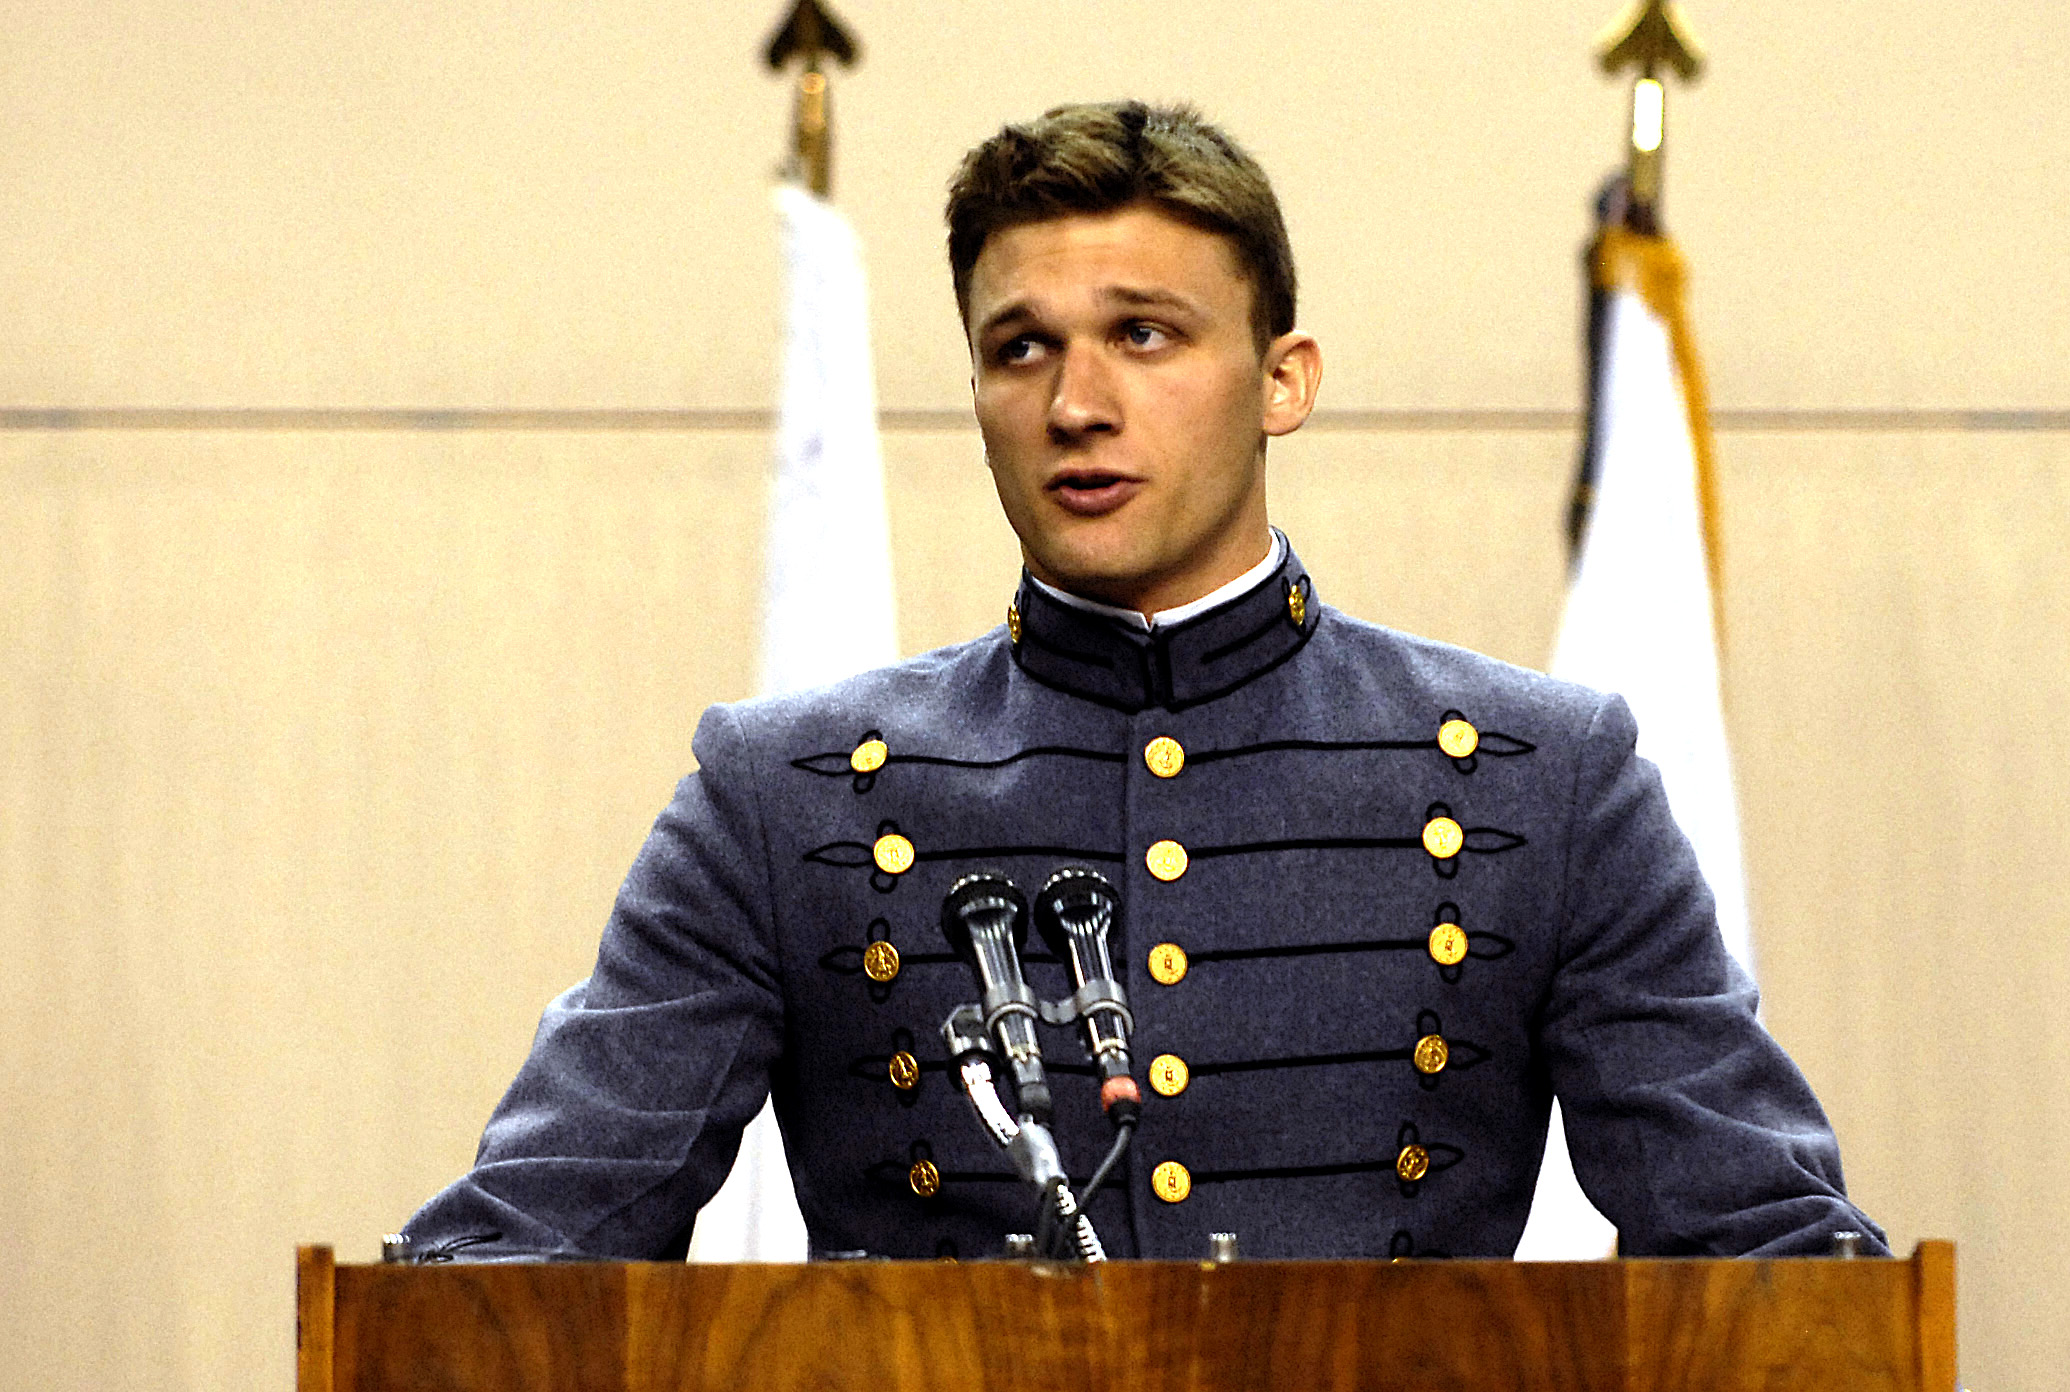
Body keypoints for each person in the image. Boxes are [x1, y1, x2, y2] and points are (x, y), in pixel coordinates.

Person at [401, 100, 1883, 1263]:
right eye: (1020, 348)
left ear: (1284, 379)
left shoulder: (1544, 776)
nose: (1078, 406)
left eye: (1145, 336)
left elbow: (1774, 1264)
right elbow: (512, 1260)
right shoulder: (779, 797)